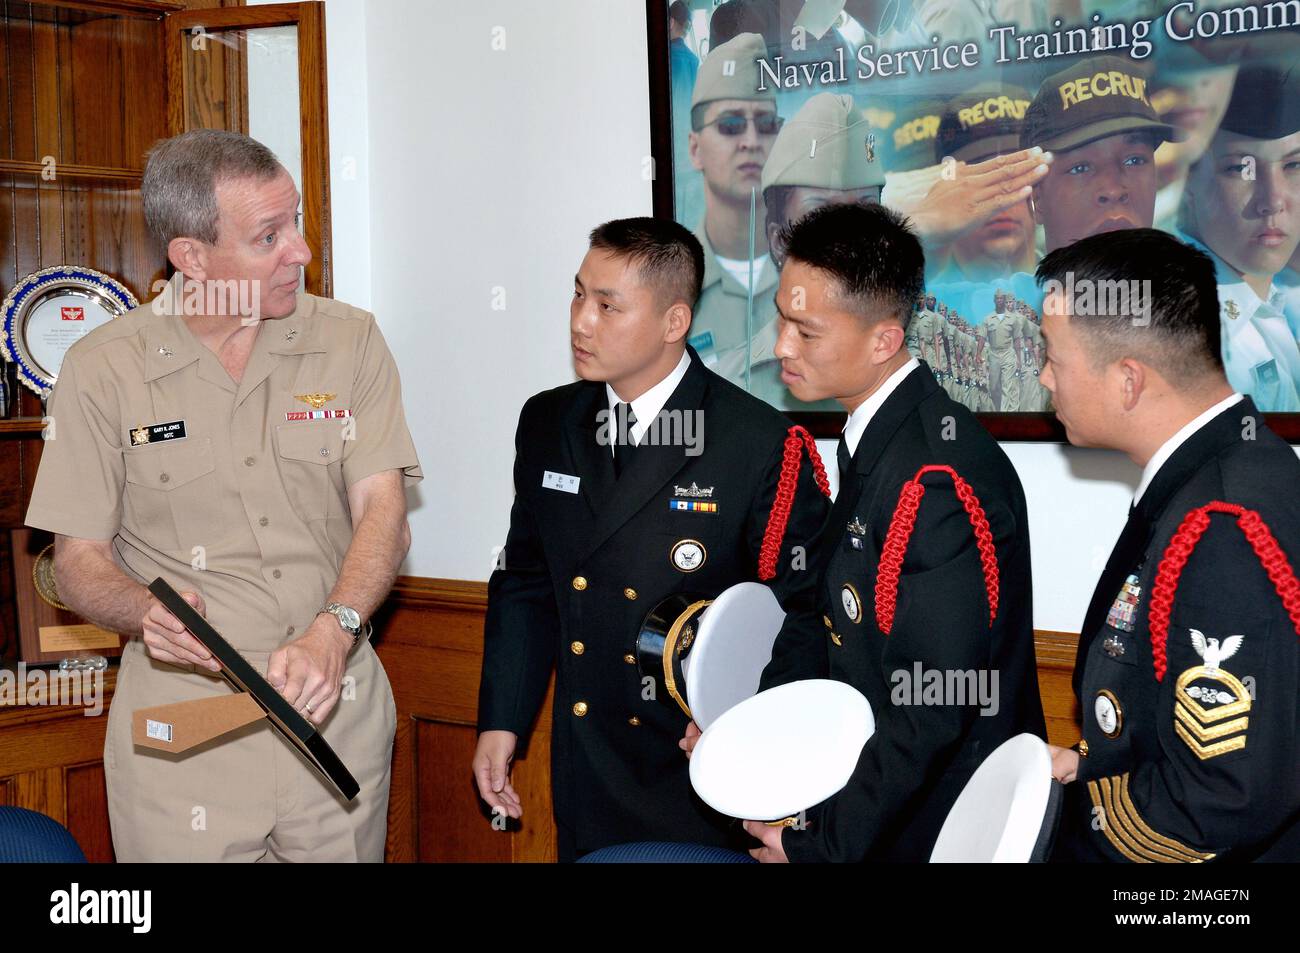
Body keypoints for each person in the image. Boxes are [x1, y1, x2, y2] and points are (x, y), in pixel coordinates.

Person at [24, 130, 421, 862]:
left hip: (334, 713)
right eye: (269, 235)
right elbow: (77, 560)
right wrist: (140, 609)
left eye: (295, 221)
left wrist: (333, 630)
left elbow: (384, 514)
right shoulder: (104, 369)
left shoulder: (350, 341)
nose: (299, 250)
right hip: (185, 733)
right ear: (193, 257)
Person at [473, 217, 829, 861]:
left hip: (698, 769)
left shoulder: (756, 443)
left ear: (674, 322)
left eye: (608, 305)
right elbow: (527, 582)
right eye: (578, 294)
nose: (582, 320)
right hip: (587, 763)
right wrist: (504, 718)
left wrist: (744, 731)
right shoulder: (550, 421)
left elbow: (802, 615)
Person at [742, 203, 1046, 862]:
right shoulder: (878, 443)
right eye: (781, 318)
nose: (780, 347)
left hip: (932, 828)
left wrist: (822, 845)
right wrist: (748, 741)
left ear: (884, 339)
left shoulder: (933, 478)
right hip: (869, 800)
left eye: (806, 330)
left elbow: (934, 706)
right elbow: (822, 620)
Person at [1036, 229, 1300, 862]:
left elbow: (1219, 799)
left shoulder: (1223, 522)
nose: (1045, 378)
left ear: (1129, 380)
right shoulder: (1223, 475)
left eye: (1052, 356)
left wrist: (1073, 828)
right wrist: (1087, 765)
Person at [747, 91, 886, 410]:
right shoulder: (734, 384)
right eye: (820, 213)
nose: (849, 235)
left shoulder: (931, 368)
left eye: (866, 210)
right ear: (778, 239)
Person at [1177, 64, 1300, 412]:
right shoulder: (1204, 333)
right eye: (1239, 168)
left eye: (1294, 166)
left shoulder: (1264, 305)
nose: (1273, 200)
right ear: (1188, 183)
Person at [686, 32, 783, 385]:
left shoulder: (815, 279)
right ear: (695, 149)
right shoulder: (671, 285)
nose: (751, 141)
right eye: (730, 125)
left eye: (767, 124)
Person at [1022, 56, 1183, 253]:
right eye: (1080, 168)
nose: (1113, 190)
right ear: (1037, 199)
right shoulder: (1004, 285)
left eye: (1135, 160)